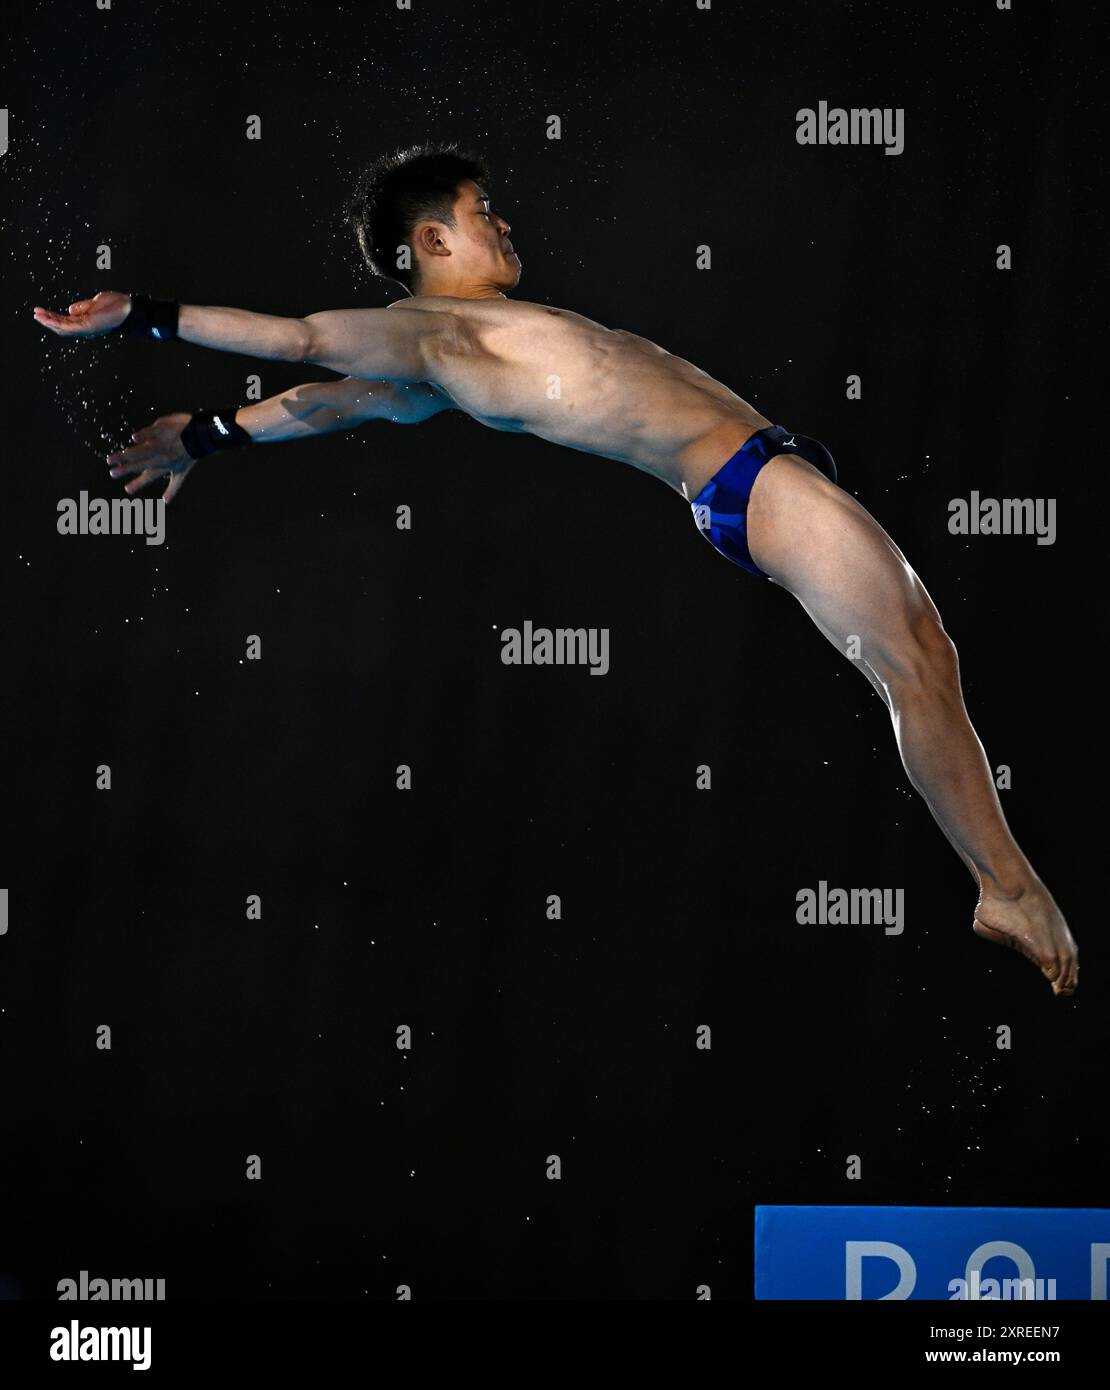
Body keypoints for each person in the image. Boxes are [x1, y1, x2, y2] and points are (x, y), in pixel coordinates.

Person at [32, 143, 1078, 995]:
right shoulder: (433, 331)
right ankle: (1005, 887)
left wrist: (207, 435)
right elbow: (302, 343)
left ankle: (1002, 881)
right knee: (918, 662)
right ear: (430, 240)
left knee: (921, 662)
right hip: (749, 484)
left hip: (756, 481)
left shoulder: (458, 353)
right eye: (482, 212)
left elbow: (329, 404)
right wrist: (148, 314)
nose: (504, 225)